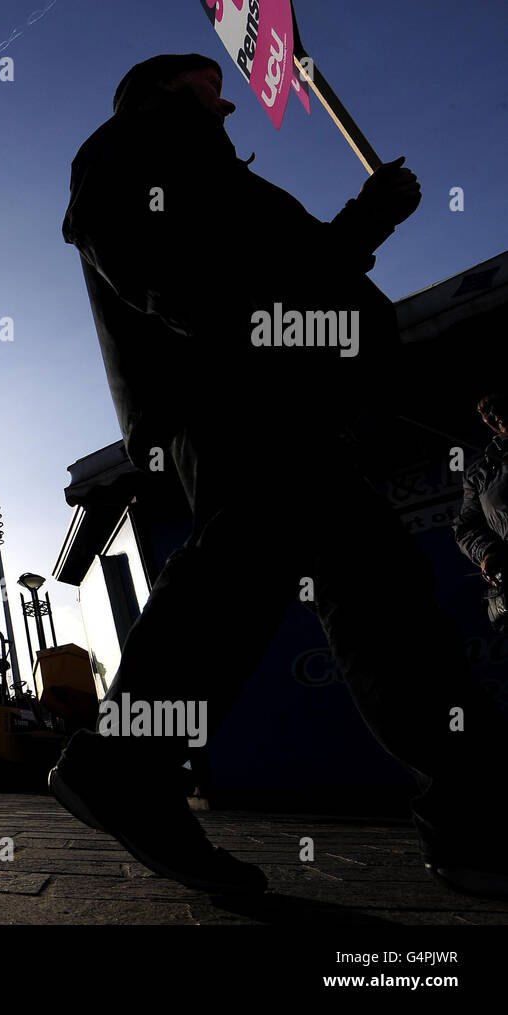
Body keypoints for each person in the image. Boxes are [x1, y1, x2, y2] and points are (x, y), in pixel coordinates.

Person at [53, 53, 508, 897]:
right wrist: (263, 338)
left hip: (284, 395)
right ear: (162, 88)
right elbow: (171, 268)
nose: (226, 92)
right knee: (262, 552)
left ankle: (477, 812)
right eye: (206, 78)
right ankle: (127, 761)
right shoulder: (135, 145)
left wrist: (366, 223)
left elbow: (299, 265)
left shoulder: (216, 170)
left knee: (373, 588)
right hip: (234, 389)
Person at [453, 393, 508, 592]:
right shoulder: (479, 475)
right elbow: (466, 527)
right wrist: (487, 551)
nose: (493, 415)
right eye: (487, 414)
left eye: (498, 406)